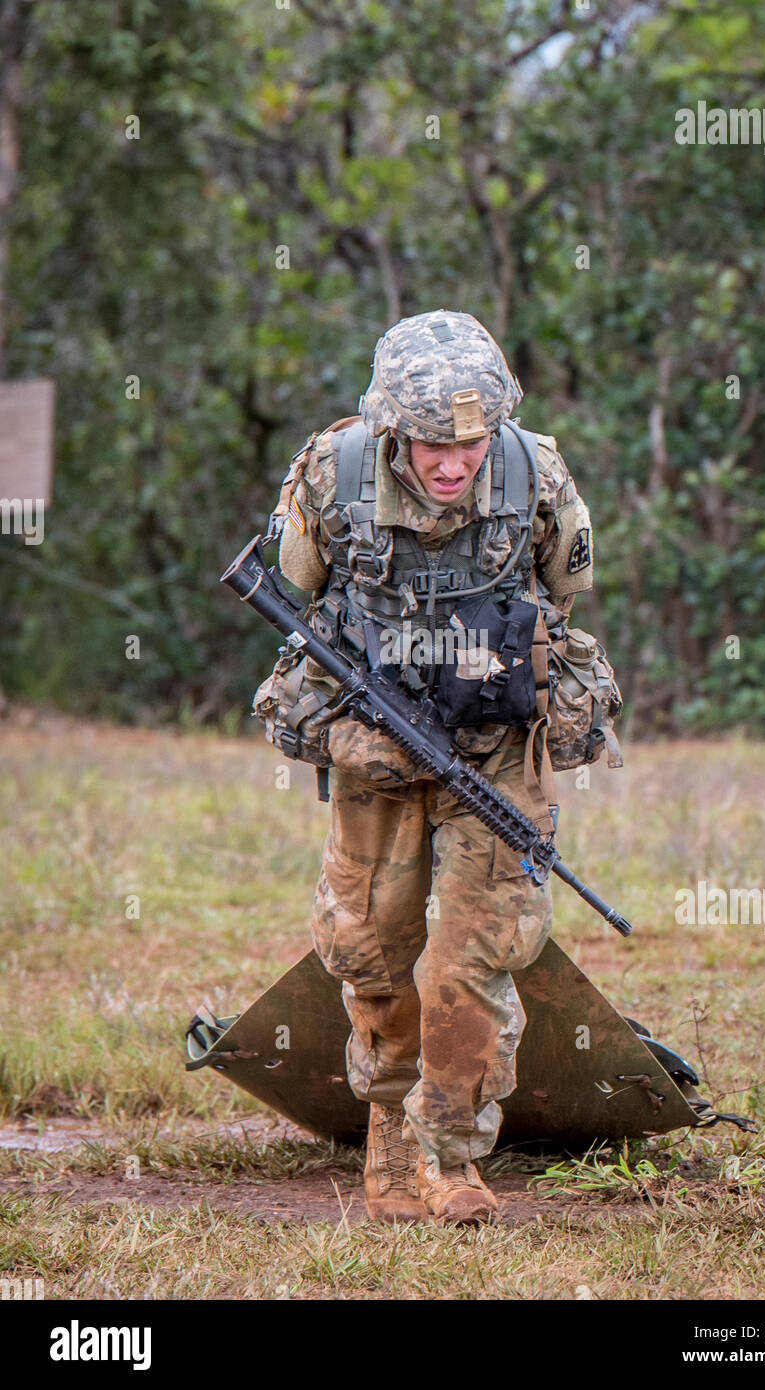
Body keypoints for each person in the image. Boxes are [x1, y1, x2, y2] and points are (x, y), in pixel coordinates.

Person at [265, 310, 596, 1223]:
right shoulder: (332, 475)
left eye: (471, 443)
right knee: (372, 945)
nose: (453, 463)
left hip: (494, 743)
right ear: (388, 430)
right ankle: (386, 1132)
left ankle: (450, 1152)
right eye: (429, 445)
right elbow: (296, 584)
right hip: (378, 740)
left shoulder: (535, 472)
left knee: (475, 952)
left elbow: (562, 593)